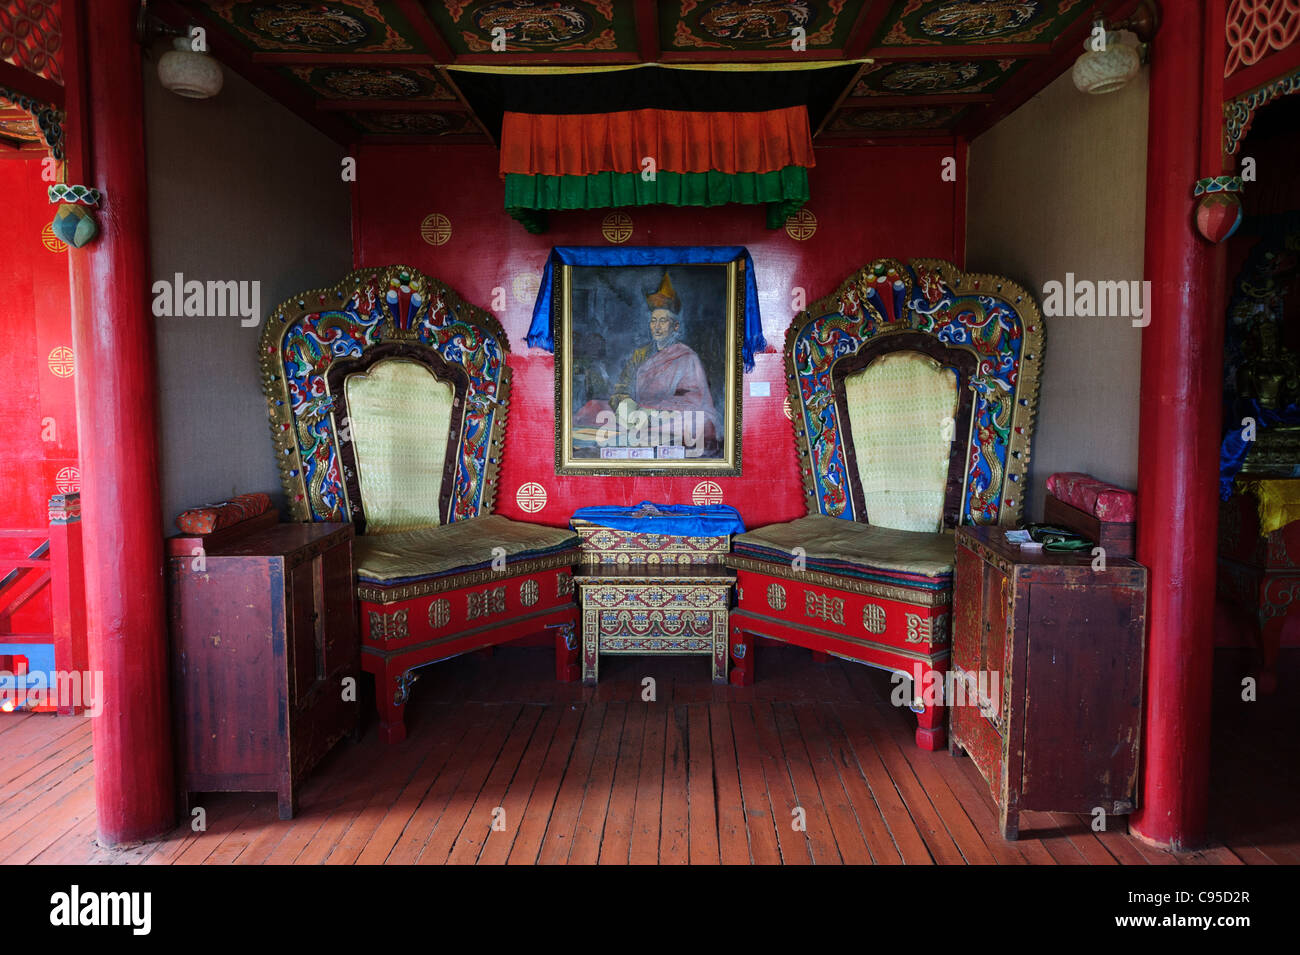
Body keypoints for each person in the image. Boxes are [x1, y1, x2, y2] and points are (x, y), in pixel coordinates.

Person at [575, 271, 720, 455]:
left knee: (694, 423)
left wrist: (654, 413)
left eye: (662, 321)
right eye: (653, 321)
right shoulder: (640, 354)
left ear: (675, 326)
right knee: (594, 409)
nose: (657, 326)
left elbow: (695, 400)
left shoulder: (687, 357)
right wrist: (626, 404)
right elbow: (621, 388)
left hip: (668, 418)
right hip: (636, 416)